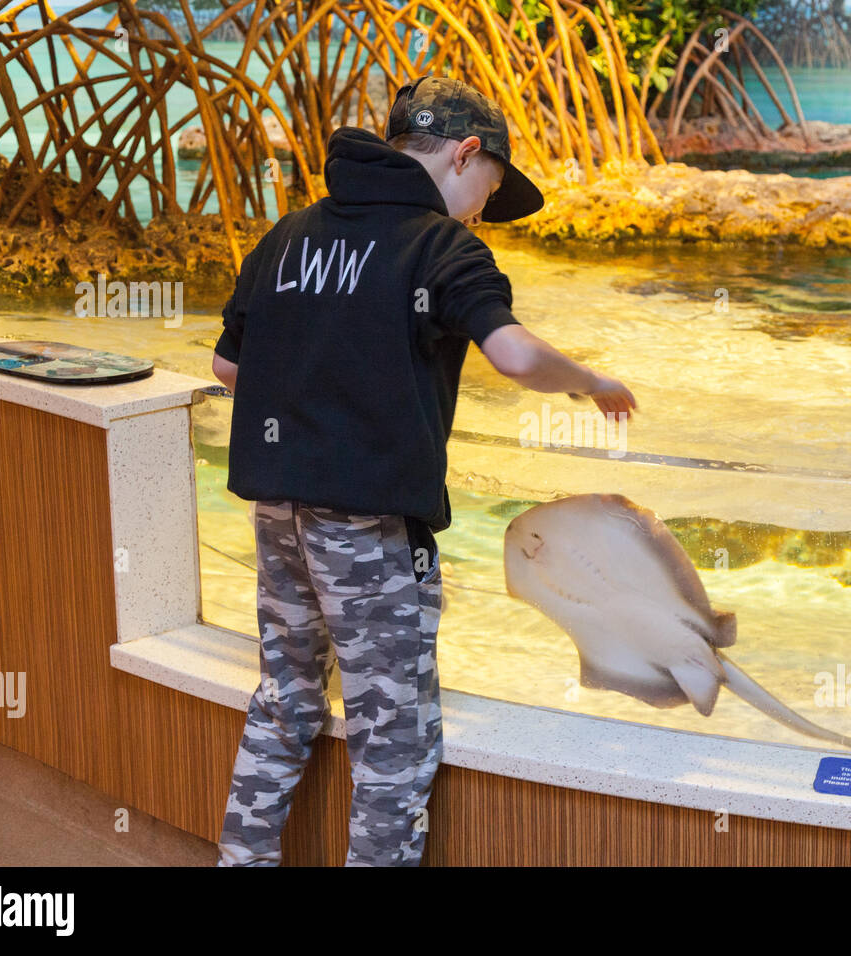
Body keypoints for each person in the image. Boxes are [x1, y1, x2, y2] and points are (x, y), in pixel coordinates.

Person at [209, 73, 637, 866]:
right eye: (488, 190)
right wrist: (591, 381)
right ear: (467, 154)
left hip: (276, 513)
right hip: (367, 526)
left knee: (283, 703)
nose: (480, 212)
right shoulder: (441, 244)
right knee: (392, 740)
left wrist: (319, 388)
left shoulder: (289, 235)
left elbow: (229, 368)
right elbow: (510, 352)